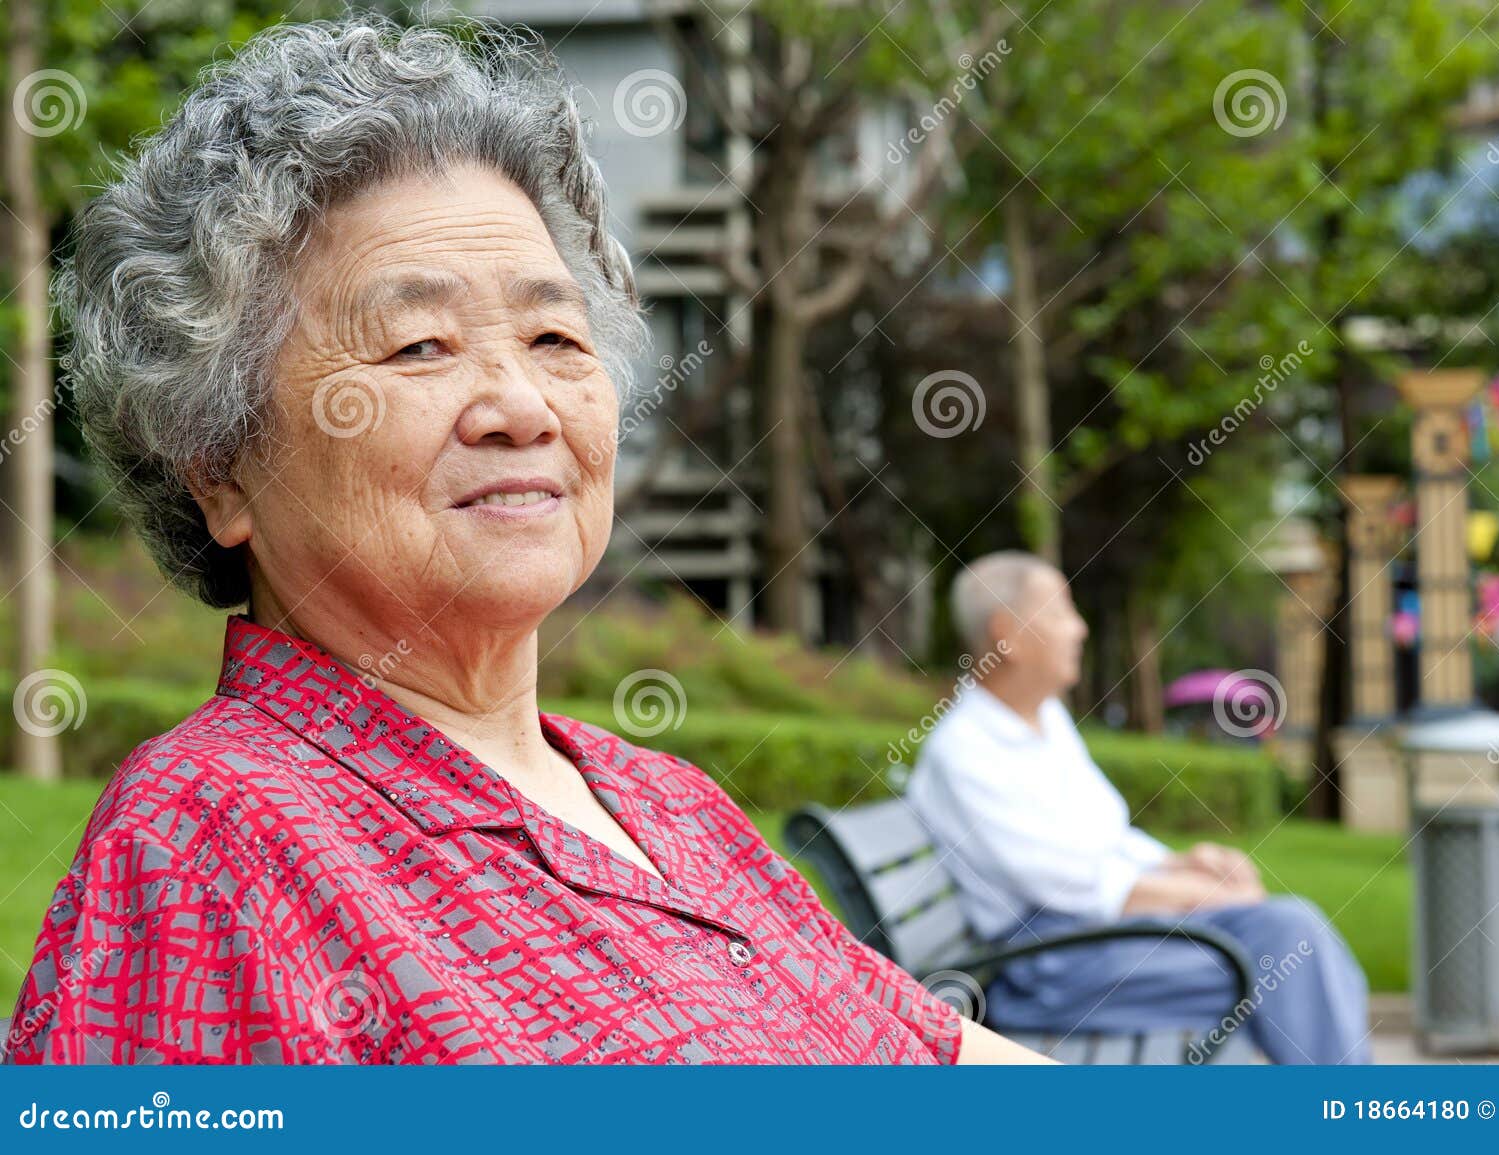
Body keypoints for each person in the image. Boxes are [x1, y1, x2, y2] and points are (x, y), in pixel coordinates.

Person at [2, 15, 1047, 1066]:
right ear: (221, 466)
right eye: (420, 346)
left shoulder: (666, 801)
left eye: (555, 337)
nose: (521, 406)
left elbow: (946, 1061)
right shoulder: (206, 844)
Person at [905, 551, 1372, 1064]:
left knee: (1291, 931)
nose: (1079, 628)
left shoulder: (1045, 720)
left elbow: (1103, 837)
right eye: (1059, 611)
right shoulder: (965, 750)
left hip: (1093, 942)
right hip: (1045, 967)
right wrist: (1194, 894)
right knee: (1287, 945)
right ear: (1006, 634)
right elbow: (1066, 883)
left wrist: (1182, 863)